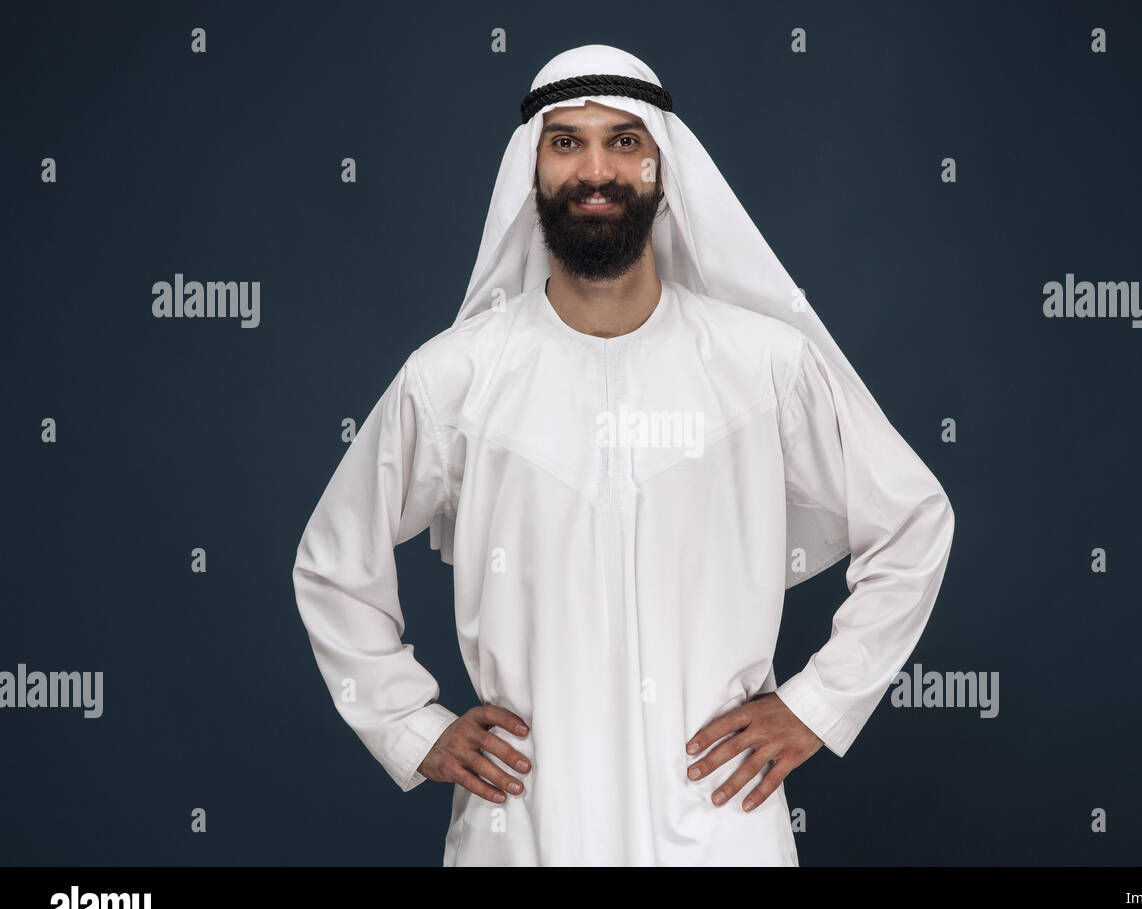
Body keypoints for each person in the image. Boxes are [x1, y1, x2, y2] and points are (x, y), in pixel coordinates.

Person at [291, 43, 956, 866]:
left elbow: (914, 519)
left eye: (625, 140)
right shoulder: (453, 379)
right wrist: (409, 724)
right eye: (566, 142)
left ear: (663, 168)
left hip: (720, 824)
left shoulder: (763, 366)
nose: (595, 168)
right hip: (525, 828)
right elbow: (332, 562)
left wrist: (818, 704)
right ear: (531, 171)